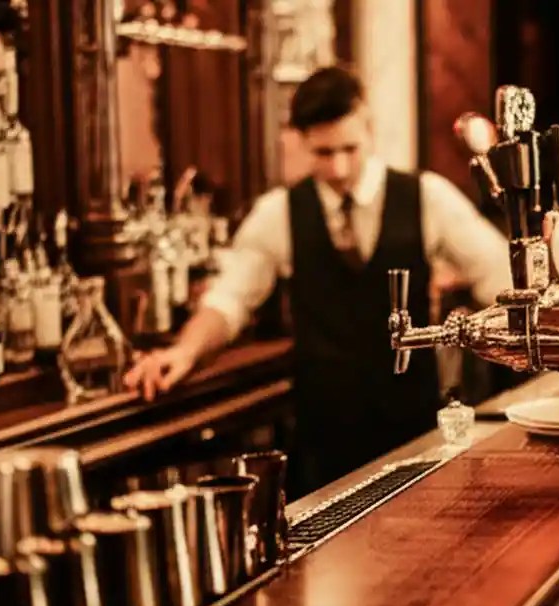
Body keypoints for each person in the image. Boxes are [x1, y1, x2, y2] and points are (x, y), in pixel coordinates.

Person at [123, 66, 511, 497]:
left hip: (414, 433)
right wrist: (184, 350)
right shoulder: (278, 213)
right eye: (324, 153)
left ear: (369, 129)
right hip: (324, 445)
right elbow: (229, 301)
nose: (340, 167)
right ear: (301, 141)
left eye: (350, 148)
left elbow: (498, 275)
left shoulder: (426, 197)